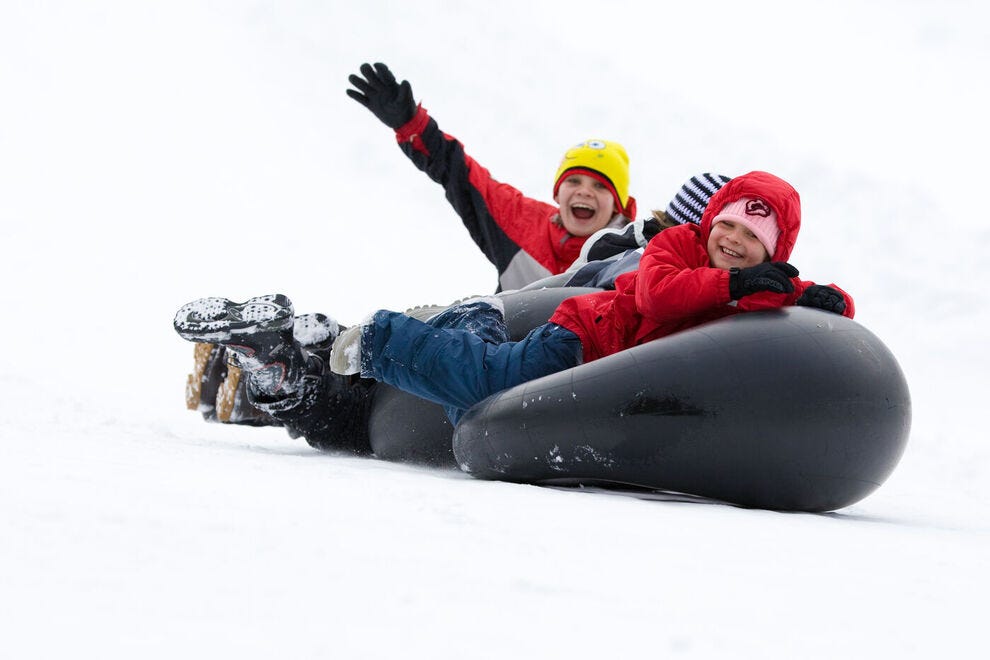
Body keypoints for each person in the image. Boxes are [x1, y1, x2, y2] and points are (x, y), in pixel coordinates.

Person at [174, 171, 854, 443]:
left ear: (773, 250)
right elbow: (657, 296)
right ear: (706, 222)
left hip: (589, 359)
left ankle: (311, 367)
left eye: (752, 237)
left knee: (472, 378)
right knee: (488, 391)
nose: (733, 241)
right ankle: (365, 341)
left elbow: (805, 315)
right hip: (577, 341)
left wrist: (819, 298)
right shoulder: (673, 250)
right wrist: (738, 286)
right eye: (727, 225)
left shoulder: (755, 285)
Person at [347, 62, 637, 292]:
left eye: (600, 186)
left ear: (617, 205)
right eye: (573, 181)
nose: (584, 191)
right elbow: (459, 173)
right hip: (503, 354)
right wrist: (411, 124)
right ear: (558, 193)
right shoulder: (525, 223)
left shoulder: (633, 253)